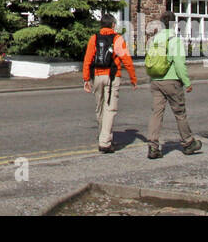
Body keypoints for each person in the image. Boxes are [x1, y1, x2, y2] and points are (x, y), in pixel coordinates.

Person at [146, 11, 200, 159]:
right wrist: (187, 82)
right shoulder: (174, 40)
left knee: (156, 113)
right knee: (180, 113)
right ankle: (188, 143)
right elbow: (179, 64)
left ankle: (153, 146)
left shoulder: (154, 39)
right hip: (171, 81)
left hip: (156, 80)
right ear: (174, 24)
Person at [82, 14, 136, 153]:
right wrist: (133, 78)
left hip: (97, 76)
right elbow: (126, 60)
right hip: (113, 77)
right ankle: (105, 142)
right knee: (110, 108)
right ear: (113, 25)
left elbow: (88, 59)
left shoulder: (94, 38)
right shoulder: (117, 39)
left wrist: (86, 79)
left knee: (99, 107)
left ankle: (103, 135)